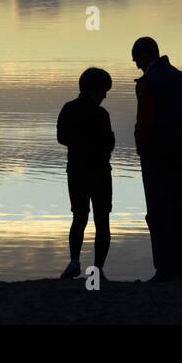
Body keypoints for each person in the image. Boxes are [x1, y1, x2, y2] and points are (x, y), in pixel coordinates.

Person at [132, 36, 182, 282]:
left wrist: (142, 150)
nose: (137, 66)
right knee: (177, 208)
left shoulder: (149, 82)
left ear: (143, 56)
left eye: (136, 61)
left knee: (158, 213)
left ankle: (164, 269)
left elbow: (145, 122)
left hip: (157, 156)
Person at [56, 67, 115, 280]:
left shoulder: (69, 108)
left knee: (79, 217)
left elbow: (62, 137)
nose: (105, 96)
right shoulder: (101, 114)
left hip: (77, 171)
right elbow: (109, 143)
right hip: (98, 173)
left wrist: (80, 144)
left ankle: (75, 261)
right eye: (103, 91)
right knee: (101, 220)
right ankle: (97, 269)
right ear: (92, 89)